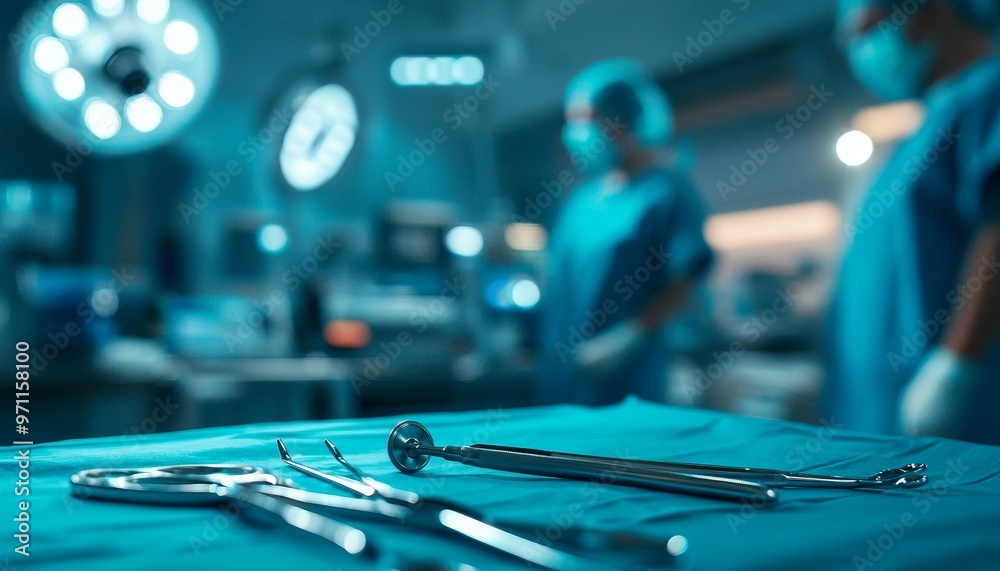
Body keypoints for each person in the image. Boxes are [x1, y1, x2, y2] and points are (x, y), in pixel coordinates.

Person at [830, 0, 1000, 444]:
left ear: (932, 11)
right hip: (885, 415)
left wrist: (955, 365)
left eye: (866, 31)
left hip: (960, 416)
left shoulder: (990, 92)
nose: (858, 50)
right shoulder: (928, 127)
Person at [536, 59, 713, 406]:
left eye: (585, 118)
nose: (574, 133)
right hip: (562, 374)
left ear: (620, 121)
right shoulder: (582, 202)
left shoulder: (665, 193)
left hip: (625, 375)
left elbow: (686, 278)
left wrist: (627, 338)